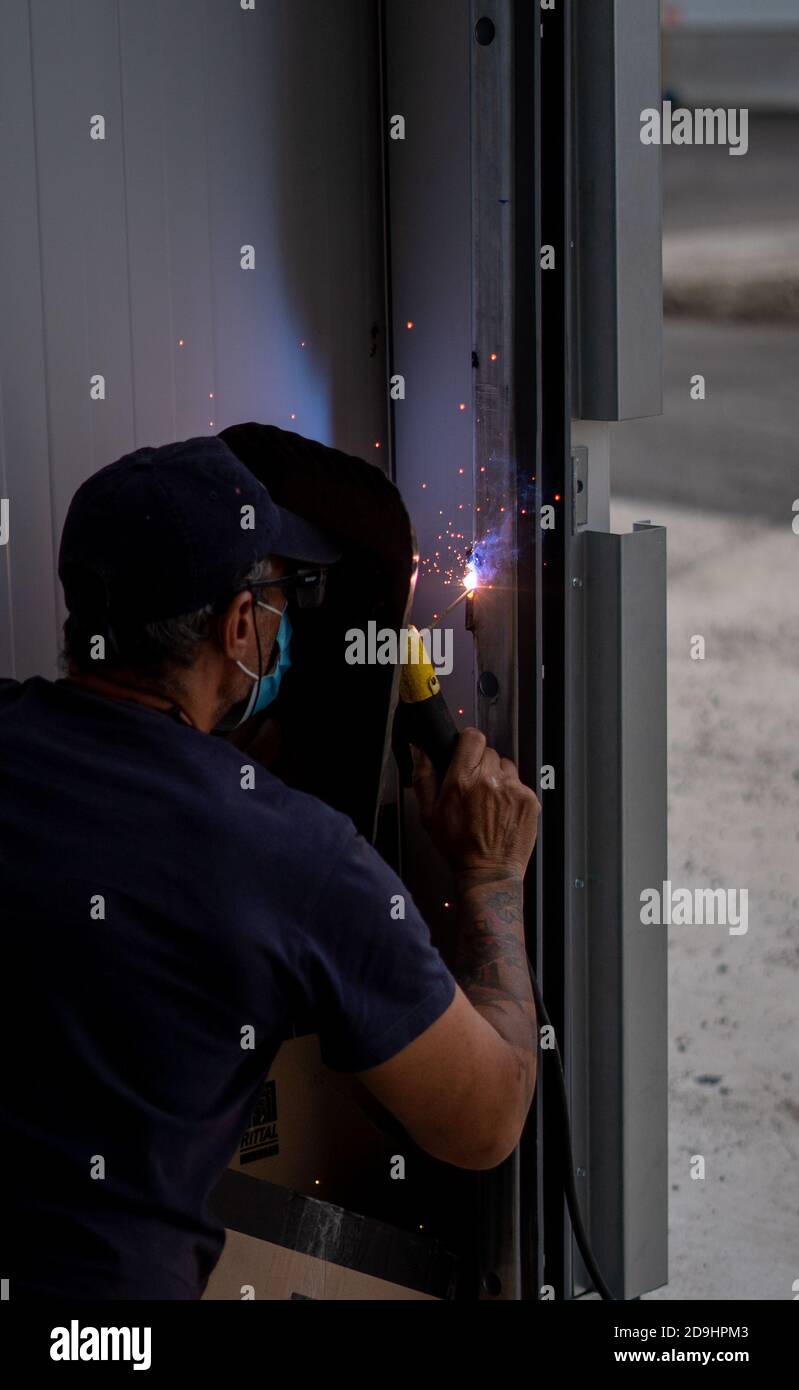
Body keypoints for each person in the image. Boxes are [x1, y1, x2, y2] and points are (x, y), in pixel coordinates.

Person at [0, 436, 540, 1300]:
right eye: (283, 594)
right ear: (240, 626)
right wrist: (489, 880)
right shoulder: (298, 858)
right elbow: (488, 1117)